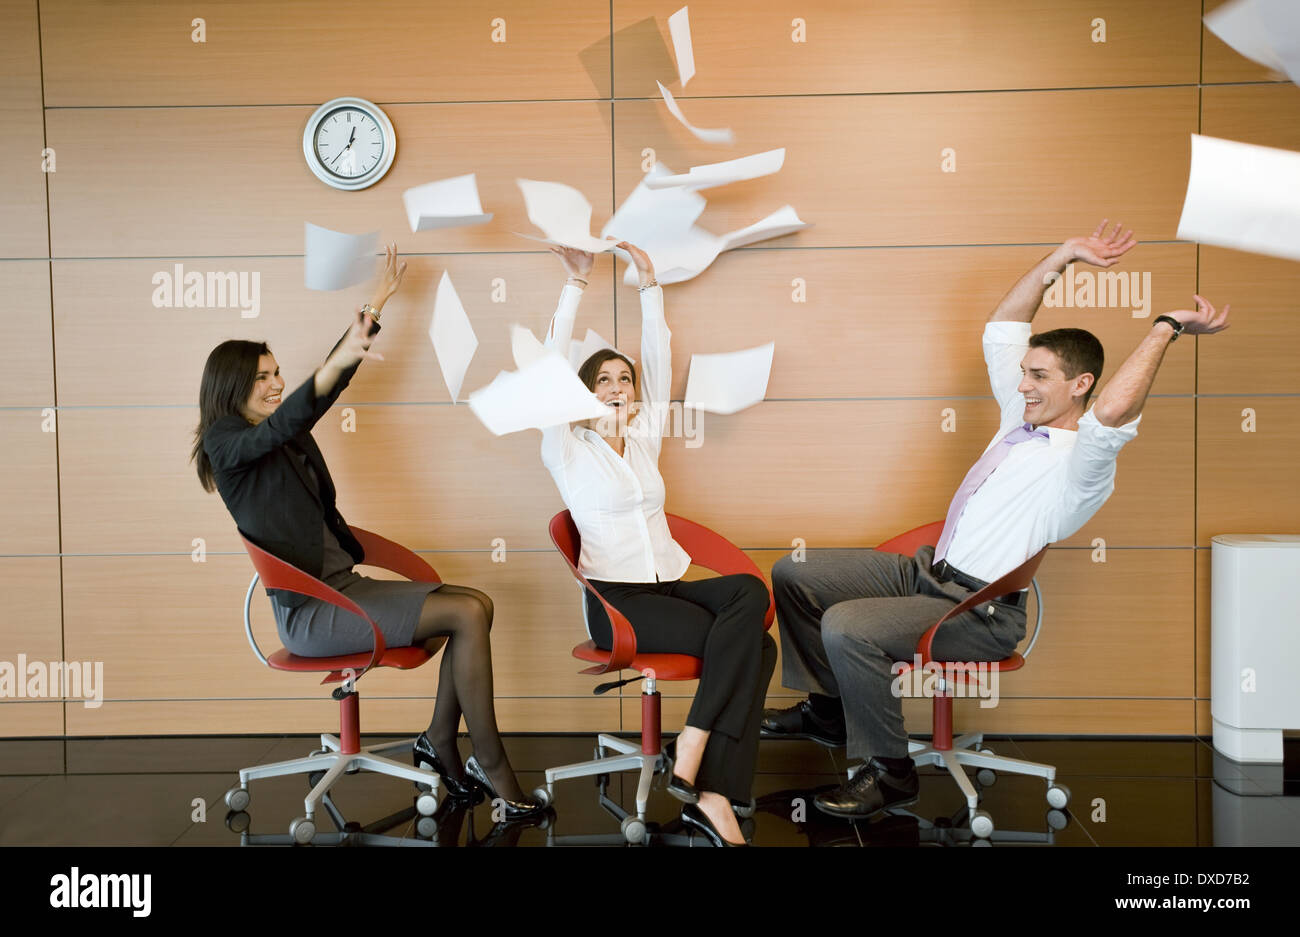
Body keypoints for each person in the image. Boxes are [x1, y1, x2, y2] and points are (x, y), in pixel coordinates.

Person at [762, 220, 1230, 818]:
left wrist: (1165, 327)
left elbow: (1113, 409)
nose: (1024, 385)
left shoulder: (1083, 463)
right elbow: (1003, 325)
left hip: (976, 609)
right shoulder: (1021, 420)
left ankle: (890, 774)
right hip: (927, 573)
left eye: (1039, 376)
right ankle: (829, 711)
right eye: (1025, 373)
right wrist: (1064, 256)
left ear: (1080, 384)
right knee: (796, 573)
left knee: (849, 626)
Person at [193, 244, 543, 819]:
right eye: (263, 377)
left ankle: (438, 742)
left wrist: (371, 313)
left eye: (278, 373)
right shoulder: (228, 445)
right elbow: (291, 416)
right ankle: (491, 765)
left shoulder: (281, 433)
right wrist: (338, 356)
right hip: (313, 612)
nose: (277, 384)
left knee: (476, 602)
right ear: (232, 388)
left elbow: (318, 395)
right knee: (467, 613)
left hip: (346, 588)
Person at [538, 241, 776, 847]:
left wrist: (649, 286)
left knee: (749, 594)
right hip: (617, 604)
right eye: (603, 379)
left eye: (625, 379)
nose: (617, 386)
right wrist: (575, 285)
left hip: (664, 590)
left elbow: (661, 363)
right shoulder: (564, 447)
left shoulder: (643, 441)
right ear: (584, 391)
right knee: (758, 651)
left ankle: (695, 754)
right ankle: (710, 786)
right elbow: (547, 374)